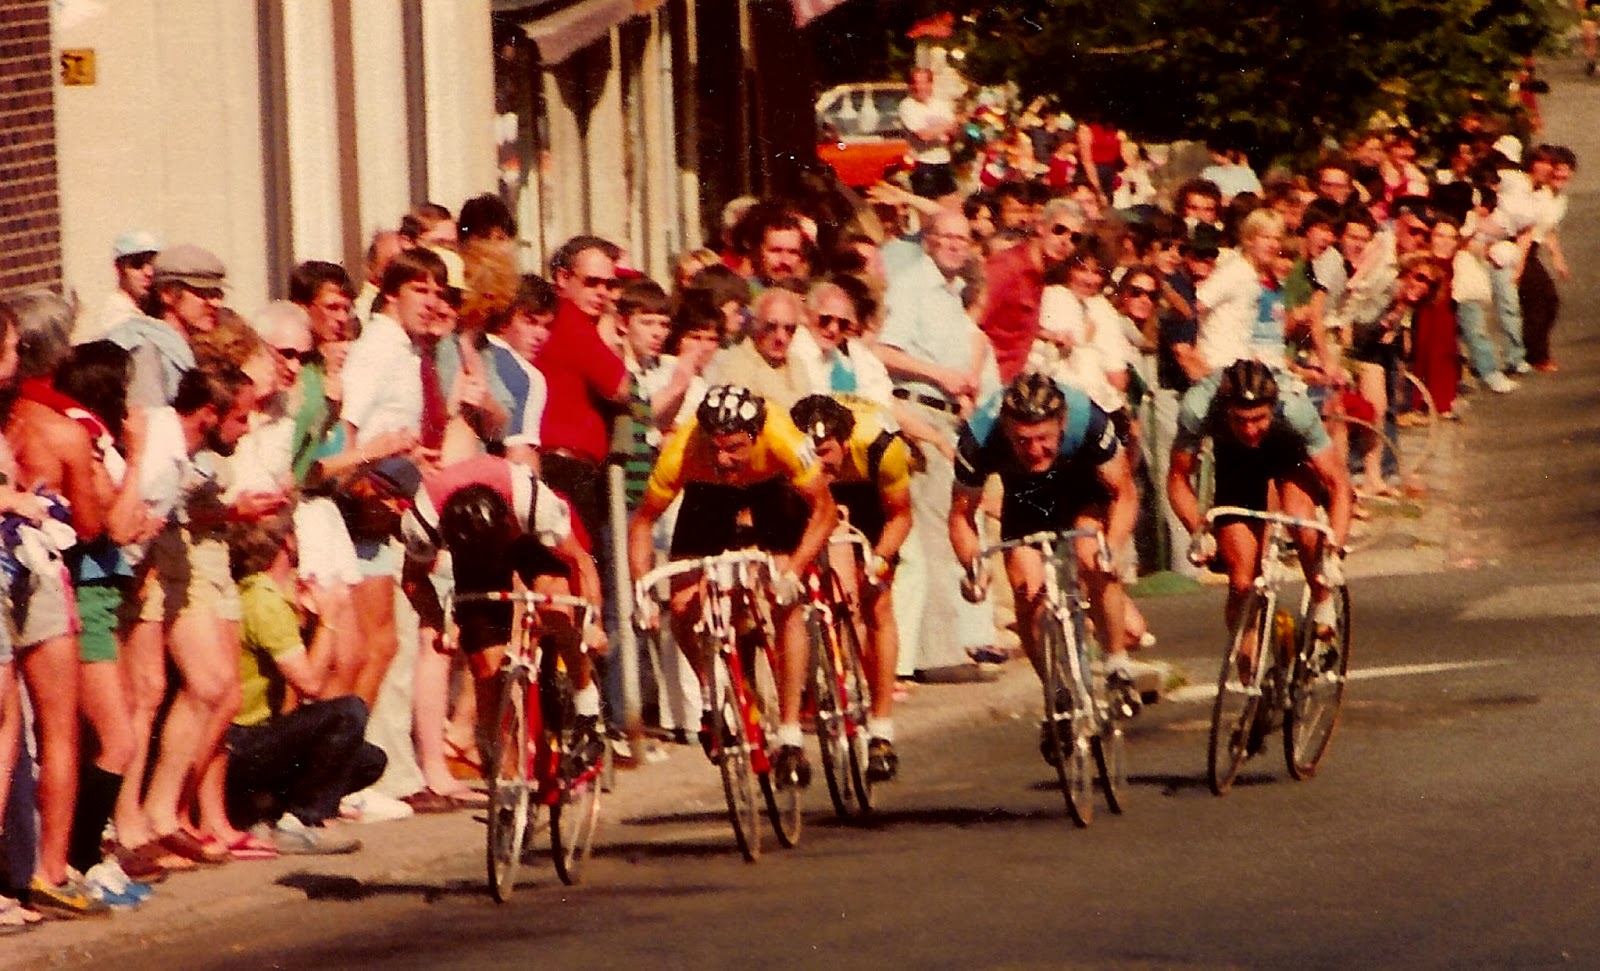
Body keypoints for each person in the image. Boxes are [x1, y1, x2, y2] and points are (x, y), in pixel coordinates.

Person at [627, 385, 838, 789]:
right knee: (685, 606)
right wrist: (642, 590)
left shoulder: (782, 439)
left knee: (785, 599)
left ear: (756, 436)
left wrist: (792, 571)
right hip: (707, 495)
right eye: (716, 447)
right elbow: (642, 522)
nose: (724, 458)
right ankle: (714, 700)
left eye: (735, 448)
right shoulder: (685, 451)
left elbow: (824, 512)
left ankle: (791, 734)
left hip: (771, 487)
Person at [948, 373, 1142, 764]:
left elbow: (1124, 493)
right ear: (1006, 429)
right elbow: (961, 516)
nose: (1035, 449)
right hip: (1027, 499)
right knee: (1027, 589)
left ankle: (1118, 666)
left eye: (1044, 439)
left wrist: (1114, 547)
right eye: (1023, 440)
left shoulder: (1088, 418)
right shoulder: (978, 436)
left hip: (1083, 490)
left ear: (1062, 425)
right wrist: (974, 566)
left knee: (1092, 556)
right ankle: (1056, 696)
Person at [400, 455, 607, 785]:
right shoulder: (423, 519)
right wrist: (440, 625)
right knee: (486, 666)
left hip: (528, 540)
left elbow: (579, 561)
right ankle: (508, 781)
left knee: (556, 610)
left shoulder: (532, 502)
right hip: (474, 560)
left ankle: (586, 702)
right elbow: (413, 580)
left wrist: (591, 623)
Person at [1167, 359, 1352, 670]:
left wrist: (1333, 550)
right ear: (1226, 408)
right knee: (1241, 583)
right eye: (1240, 420)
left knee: (1302, 522)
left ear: (1273, 406)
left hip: (1289, 457)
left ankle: (1322, 607)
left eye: (1259, 418)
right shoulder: (1198, 408)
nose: (1251, 429)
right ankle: (1252, 667)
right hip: (1236, 463)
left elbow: (1338, 484)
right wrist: (1199, 531)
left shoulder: (1294, 409)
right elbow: (1177, 479)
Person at [222, 510, 374, 855]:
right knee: (349, 711)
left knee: (368, 760)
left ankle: (266, 809)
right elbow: (310, 684)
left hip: (257, 736)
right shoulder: (264, 600)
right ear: (287, 543)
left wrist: (311, 620)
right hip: (242, 741)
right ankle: (301, 820)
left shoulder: (269, 596)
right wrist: (329, 621)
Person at [790, 394, 912, 781]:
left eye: (825, 452)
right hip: (813, 495)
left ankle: (881, 728)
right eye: (813, 452)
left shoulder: (881, 448)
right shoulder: (794, 453)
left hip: (868, 495)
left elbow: (900, 517)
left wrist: (878, 562)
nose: (820, 461)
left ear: (844, 440)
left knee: (875, 601)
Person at [81, 230, 162, 345]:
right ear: (119, 268)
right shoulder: (117, 319)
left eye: (153, 264)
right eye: (137, 264)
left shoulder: (150, 310)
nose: (148, 273)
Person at [898, 67, 958, 200]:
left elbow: (954, 130)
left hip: (944, 162)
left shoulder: (941, 105)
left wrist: (947, 128)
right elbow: (923, 135)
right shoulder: (907, 106)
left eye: (924, 82)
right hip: (923, 163)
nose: (920, 87)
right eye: (916, 83)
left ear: (931, 84)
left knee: (951, 207)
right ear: (911, 85)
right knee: (927, 210)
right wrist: (945, 126)